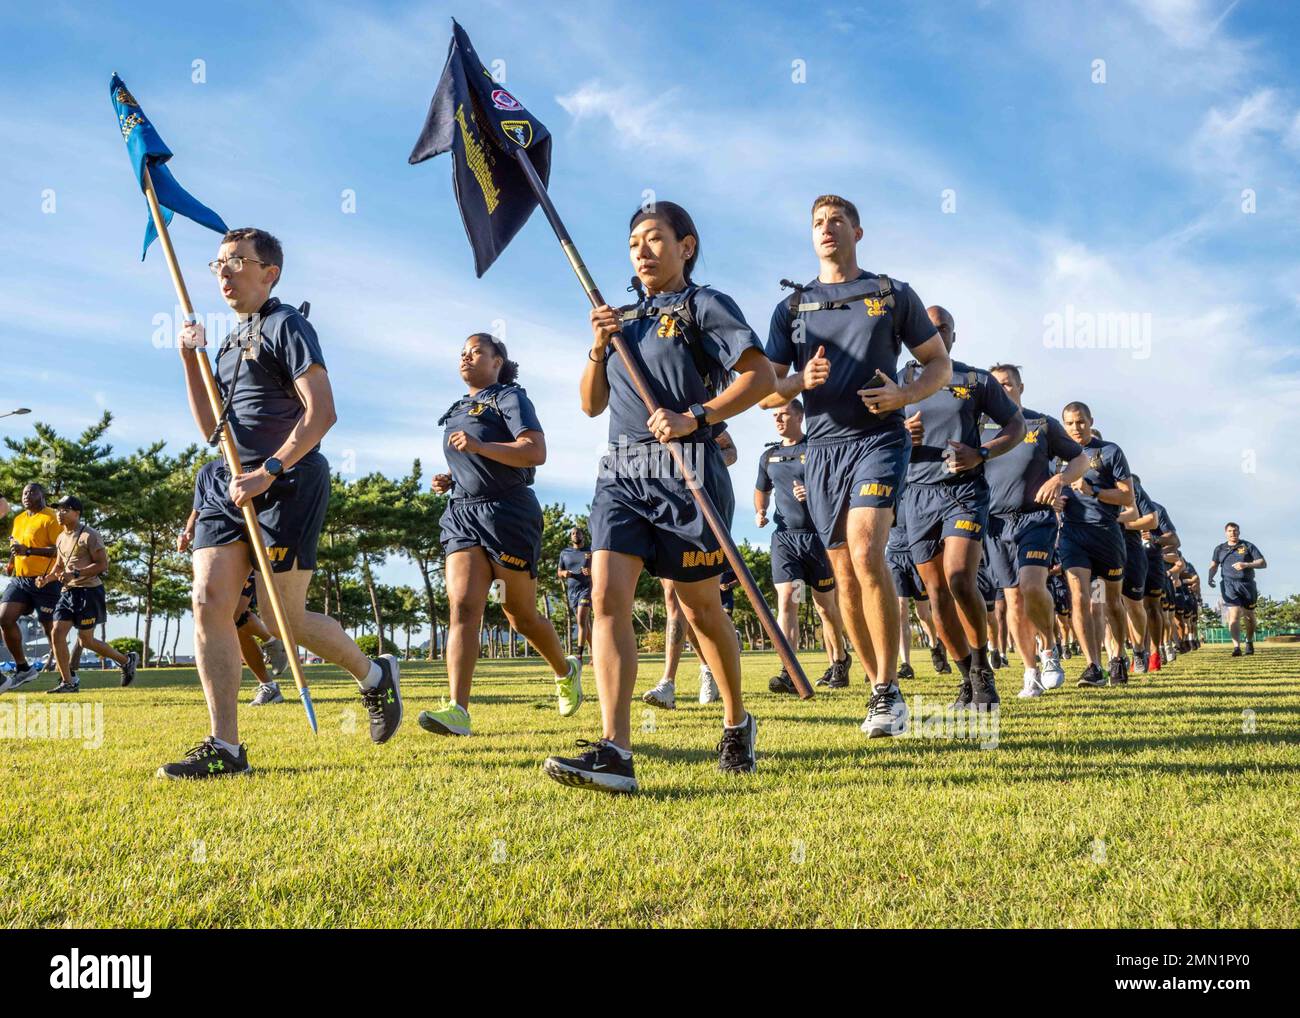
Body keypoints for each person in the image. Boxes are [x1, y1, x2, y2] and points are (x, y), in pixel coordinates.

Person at [543, 201, 775, 793]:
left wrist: (696, 415)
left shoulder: (705, 306)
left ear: (686, 246)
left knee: (700, 610)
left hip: (687, 472)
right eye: (632, 244)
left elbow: (761, 377)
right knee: (605, 602)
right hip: (621, 475)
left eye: (654, 239)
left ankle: (736, 722)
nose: (642, 251)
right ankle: (616, 749)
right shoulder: (618, 318)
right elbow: (591, 404)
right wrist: (597, 346)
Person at [159, 227, 402, 779]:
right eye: (218, 263)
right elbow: (208, 427)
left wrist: (269, 471)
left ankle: (373, 675)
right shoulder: (223, 345)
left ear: (269, 273)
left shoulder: (288, 325)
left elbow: (322, 414)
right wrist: (186, 359)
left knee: (278, 619)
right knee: (207, 600)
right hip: (225, 480)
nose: (224, 271)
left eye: (238, 261)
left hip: (286, 481)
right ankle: (225, 746)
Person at [761, 194, 952, 737]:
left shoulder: (890, 293)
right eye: (817, 222)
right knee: (843, 575)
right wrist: (800, 383)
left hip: (879, 440)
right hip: (821, 454)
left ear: (857, 232)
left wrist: (905, 394)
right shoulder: (792, 308)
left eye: (836, 221)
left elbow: (939, 363)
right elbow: (765, 392)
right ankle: (876, 689)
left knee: (868, 551)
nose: (826, 229)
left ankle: (890, 689)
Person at [419, 334, 581, 737]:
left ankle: (565, 670)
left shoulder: (509, 398)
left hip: (507, 514)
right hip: (462, 516)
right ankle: (458, 709)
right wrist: (452, 479)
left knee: (519, 616)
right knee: (463, 606)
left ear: (497, 361)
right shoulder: (456, 408)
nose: (465, 356)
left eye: (476, 351)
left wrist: (479, 445)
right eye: (462, 352)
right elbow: (470, 460)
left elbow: (534, 451)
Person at [899, 308, 1026, 710]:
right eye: (927, 329)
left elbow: (1016, 426)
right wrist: (900, 434)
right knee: (936, 596)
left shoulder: (976, 380)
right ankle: (965, 676)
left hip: (963, 491)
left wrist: (981, 453)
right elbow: (868, 432)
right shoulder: (897, 381)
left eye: (943, 329)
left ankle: (983, 672)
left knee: (958, 579)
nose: (935, 334)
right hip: (916, 495)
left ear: (953, 336)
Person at [981, 364, 1088, 697]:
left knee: (1031, 586)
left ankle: (1050, 649)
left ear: (1021, 387)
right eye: (996, 385)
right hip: (995, 523)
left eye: (1008, 384)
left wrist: (1059, 479)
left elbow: (1080, 460)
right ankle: (1030, 672)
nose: (1003, 390)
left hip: (1035, 518)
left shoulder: (1041, 424)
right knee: (1012, 600)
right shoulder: (979, 426)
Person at [754, 399, 850, 693]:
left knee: (825, 608)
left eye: (783, 414)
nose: (778, 420)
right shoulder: (768, 456)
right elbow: (761, 490)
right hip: (785, 540)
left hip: (817, 540)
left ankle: (840, 661)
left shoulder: (815, 450)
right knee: (788, 601)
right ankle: (790, 671)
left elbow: (837, 491)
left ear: (799, 416)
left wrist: (812, 493)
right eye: (775, 416)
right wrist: (760, 511)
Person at [641, 428, 737, 709]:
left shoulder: (697, 405)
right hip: (663, 506)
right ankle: (668, 683)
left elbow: (731, 451)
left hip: (701, 508)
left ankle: (709, 671)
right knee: (673, 600)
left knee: (698, 605)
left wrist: (701, 462)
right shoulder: (643, 411)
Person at [179, 486, 290, 704]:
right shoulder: (208, 471)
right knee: (226, 620)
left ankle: (270, 642)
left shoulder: (252, 463)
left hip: (248, 550)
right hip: (215, 550)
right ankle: (268, 682)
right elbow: (197, 509)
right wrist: (188, 532)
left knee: (232, 615)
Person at [1057, 403, 1135, 687]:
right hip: (1073, 534)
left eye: (1080, 422)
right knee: (1080, 597)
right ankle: (1093, 665)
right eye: (1070, 423)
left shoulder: (1110, 451)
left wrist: (1095, 491)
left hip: (1106, 533)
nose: (1076, 428)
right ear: (1063, 425)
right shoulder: (1058, 456)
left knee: (1112, 602)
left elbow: (1127, 498)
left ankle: (1118, 656)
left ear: (1091, 421)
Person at [36, 495, 138, 692]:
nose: (59, 513)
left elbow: (102, 564)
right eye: (58, 509)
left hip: (89, 592)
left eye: (65, 510)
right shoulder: (60, 538)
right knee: (57, 633)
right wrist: (46, 579)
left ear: (77, 513)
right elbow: (59, 566)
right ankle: (68, 683)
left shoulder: (89, 535)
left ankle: (125, 660)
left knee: (86, 640)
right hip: (68, 592)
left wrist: (76, 573)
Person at [0, 483, 61, 693]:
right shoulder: (19, 519)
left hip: (46, 581)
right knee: (4, 618)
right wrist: (11, 561)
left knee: (50, 630)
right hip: (21, 580)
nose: (27, 495)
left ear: (43, 495)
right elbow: (16, 545)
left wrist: (29, 551)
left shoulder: (51, 517)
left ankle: (68, 678)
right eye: (24, 492)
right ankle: (23, 668)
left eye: (32, 492)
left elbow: (60, 551)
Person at [1209, 523, 1266, 656]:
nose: (1232, 533)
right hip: (1229, 584)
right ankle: (1236, 647)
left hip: (1247, 584)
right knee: (1233, 614)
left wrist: (1246, 564)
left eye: (1235, 531)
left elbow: (1263, 563)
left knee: (1249, 615)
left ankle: (1249, 641)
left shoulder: (1247, 546)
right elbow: (1214, 565)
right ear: (1225, 533)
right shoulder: (1219, 549)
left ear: (1239, 532)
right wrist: (1210, 577)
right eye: (1229, 531)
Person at [557, 527, 593, 663]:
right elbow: (559, 572)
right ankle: (595, 652)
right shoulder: (564, 553)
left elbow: (600, 569)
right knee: (584, 624)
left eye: (578, 532)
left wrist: (591, 571)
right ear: (570, 537)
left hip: (587, 589)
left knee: (581, 619)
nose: (575, 535)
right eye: (572, 533)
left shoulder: (590, 551)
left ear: (582, 535)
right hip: (572, 592)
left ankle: (579, 655)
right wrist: (564, 573)